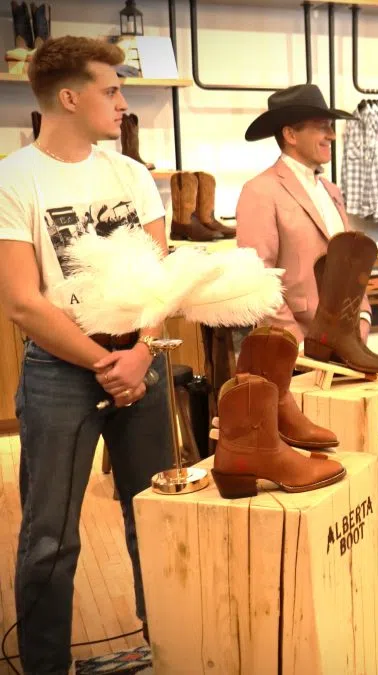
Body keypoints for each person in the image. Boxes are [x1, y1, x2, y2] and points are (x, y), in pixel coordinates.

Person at [0, 36, 174, 673]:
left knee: (155, 517)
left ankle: (173, 647)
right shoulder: (13, 179)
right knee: (49, 536)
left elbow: (161, 278)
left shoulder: (132, 175)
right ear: (69, 98)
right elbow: (22, 301)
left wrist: (142, 351)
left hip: (142, 358)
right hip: (60, 372)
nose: (124, 103)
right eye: (112, 90)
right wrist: (106, 364)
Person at [236, 84, 378, 366]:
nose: (331, 135)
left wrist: (362, 318)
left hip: (347, 352)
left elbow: (351, 265)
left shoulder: (331, 191)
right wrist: (299, 345)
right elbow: (258, 280)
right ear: (290, 134)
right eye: (321, 126)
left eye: (330, 126)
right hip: (293, 355)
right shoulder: (260, 191)